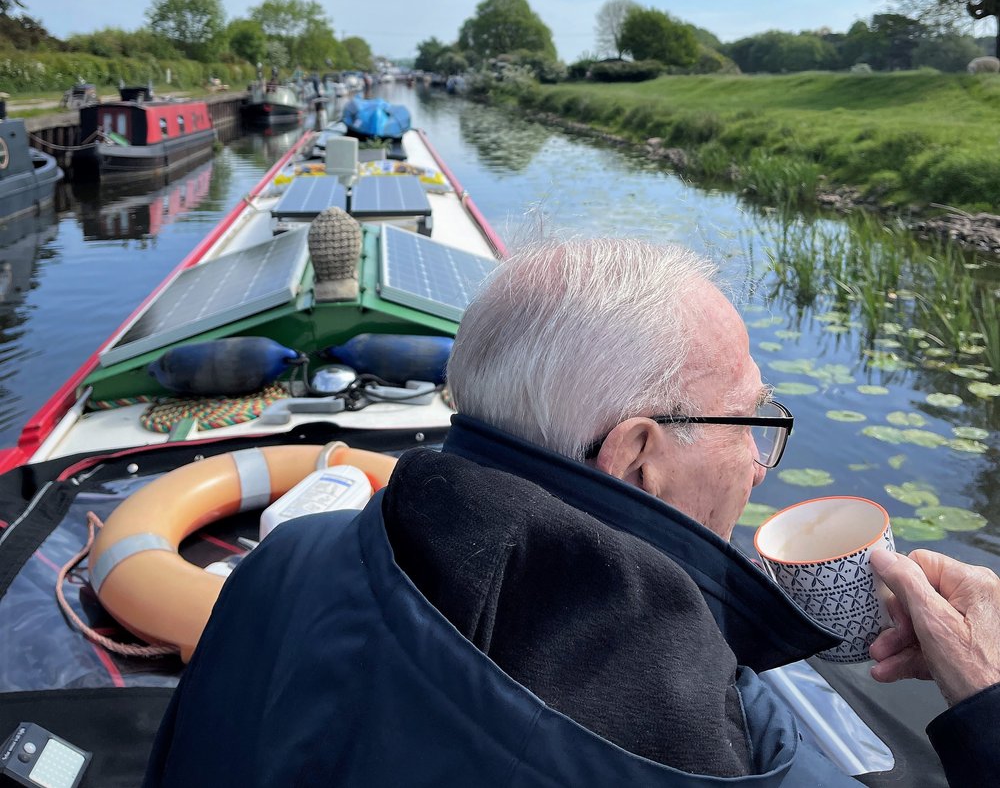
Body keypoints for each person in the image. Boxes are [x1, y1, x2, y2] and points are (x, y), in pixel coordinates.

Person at [144, 240, 1000, 787]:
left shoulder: (288, 559)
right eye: (750, 421)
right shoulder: (716, 756)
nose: (757, 460)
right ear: (636, 458)